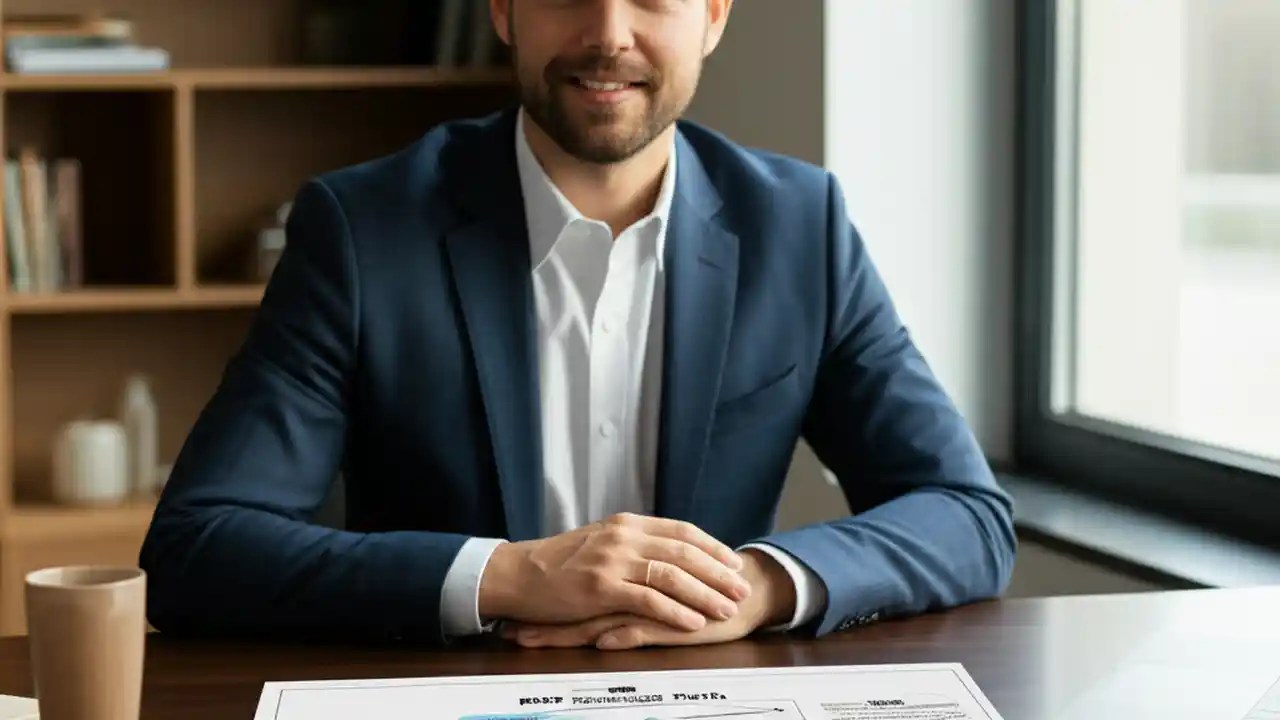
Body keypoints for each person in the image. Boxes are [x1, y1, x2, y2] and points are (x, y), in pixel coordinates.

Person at [140, 0, 1015, 651]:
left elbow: (967, 516)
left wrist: (755, 585)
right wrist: (510, 576)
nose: (608, 33)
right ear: (504, 11)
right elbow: (198, 546)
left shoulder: (800, 227)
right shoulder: (363, 228)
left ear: (713, 15)